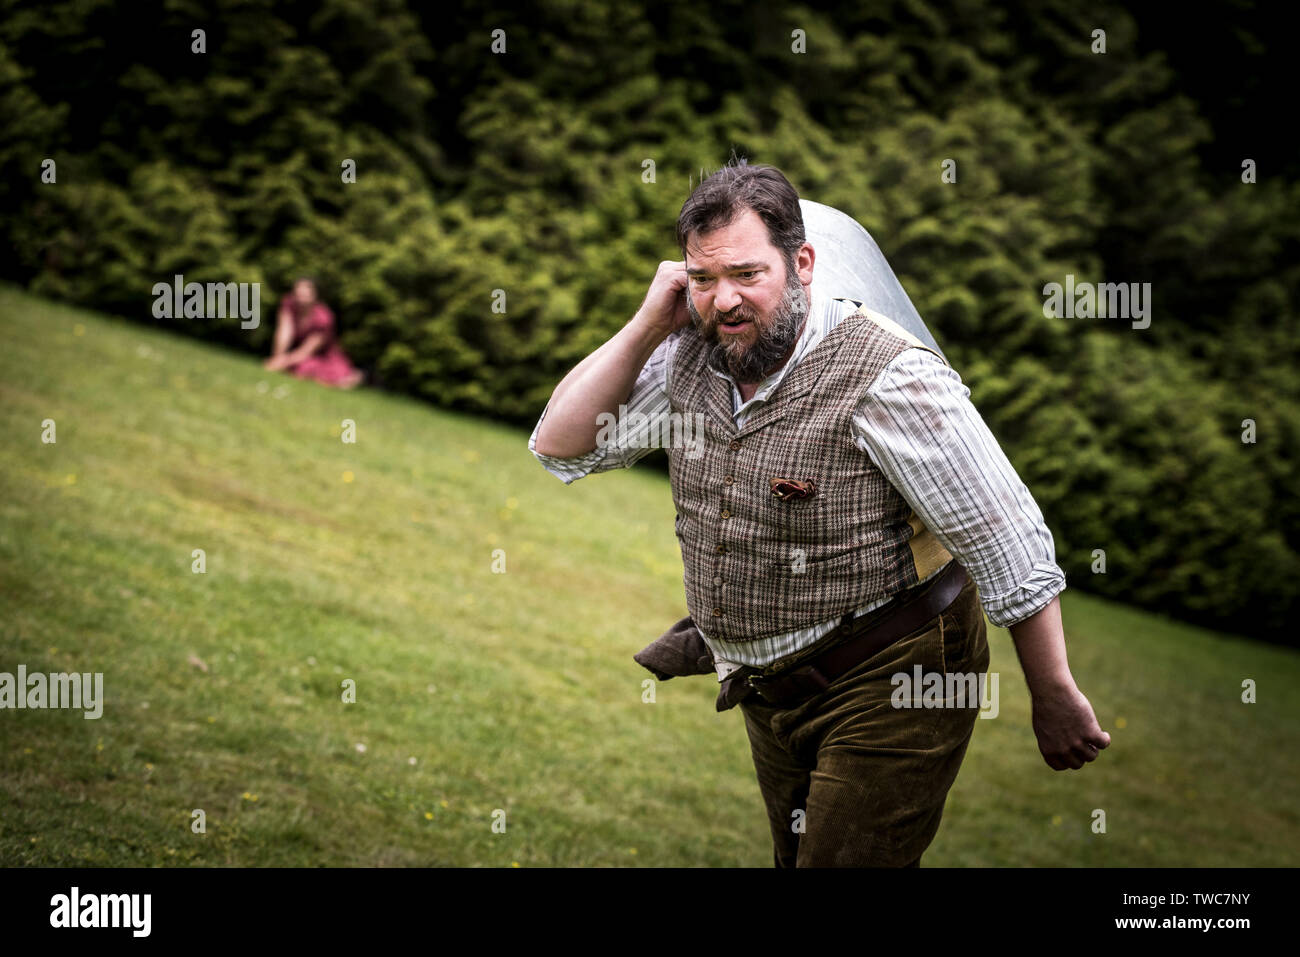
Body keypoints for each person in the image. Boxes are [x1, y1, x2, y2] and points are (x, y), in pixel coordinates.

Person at [528, 158, 1110, 867]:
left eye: (747, 274)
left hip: (898, 672)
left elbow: (1004, 535)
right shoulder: (693, 354)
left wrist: (1052, 693)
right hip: (770, 689)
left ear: (802, 262)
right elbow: (561, 446)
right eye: (703, 279)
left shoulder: (887, 373)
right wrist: (648, 323)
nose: (725, 300)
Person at [264, 277, 363, 389]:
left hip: (323, 356)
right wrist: (277, 356)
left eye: (305, 295)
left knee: (304, 369)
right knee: (295, 368)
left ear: (315, 296)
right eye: (298, 294)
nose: (300, 299)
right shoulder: (289, 304)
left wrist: (281, 362)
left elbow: (306, 351)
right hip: (298, 354)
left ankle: (350, 377)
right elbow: (284, 332)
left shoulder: (324, 318)